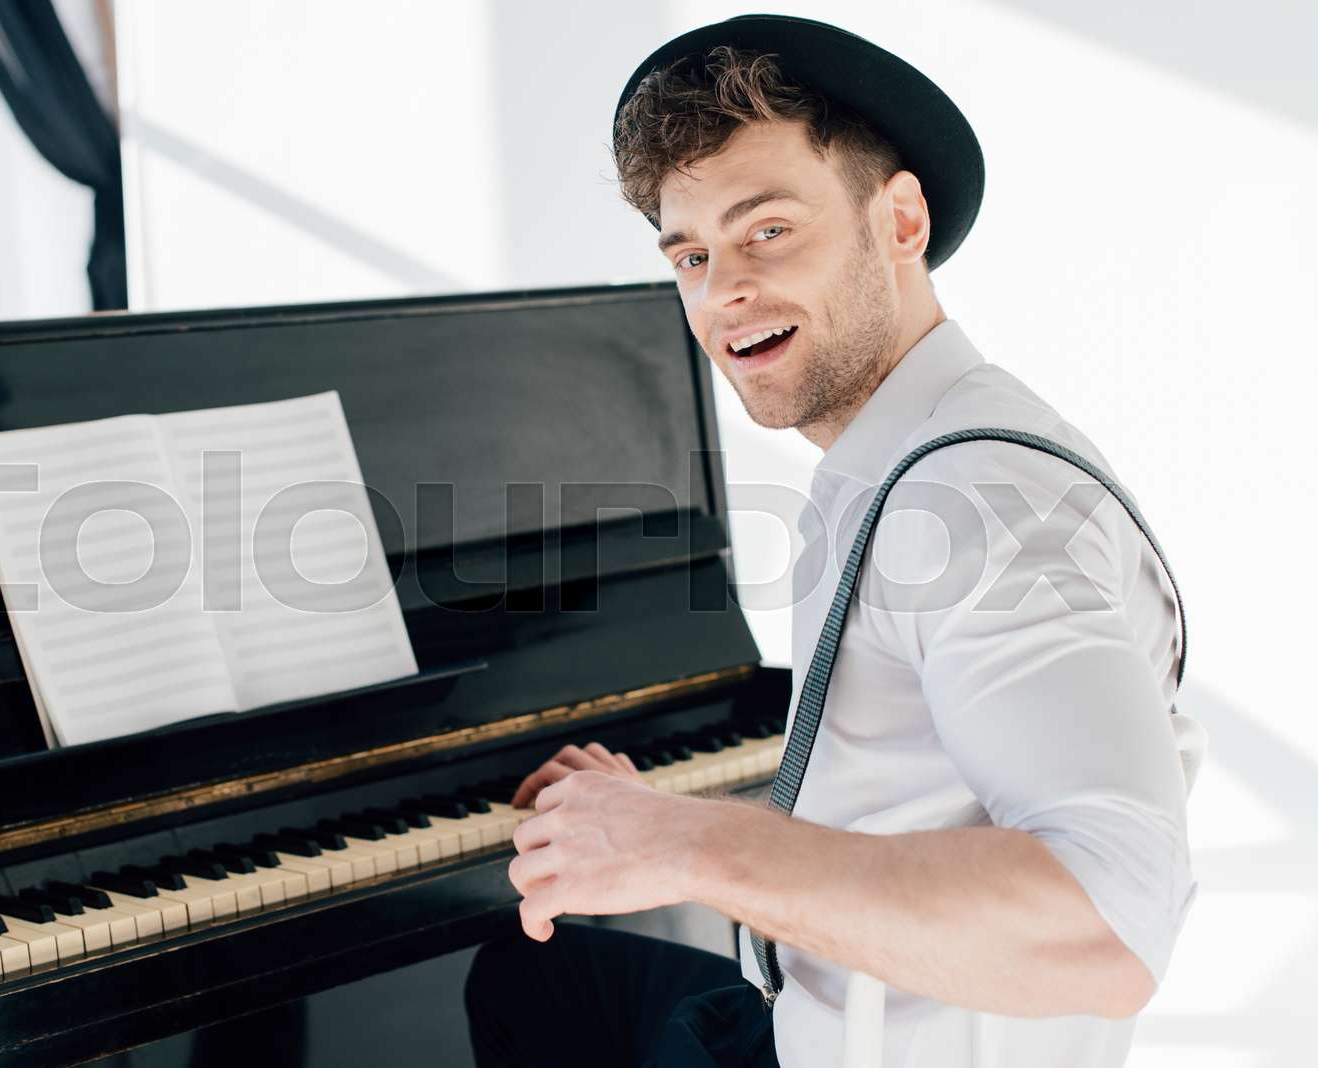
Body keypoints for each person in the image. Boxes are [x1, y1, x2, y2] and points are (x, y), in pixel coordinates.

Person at [465, 15, 1196, 1068]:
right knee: (545, 974)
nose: (722, 294)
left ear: (899, 221)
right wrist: (648, 812)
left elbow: (1109, 925)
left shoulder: (981, 505)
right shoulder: (903, 456)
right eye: (692, 253)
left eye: (768, 231)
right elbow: (897, 787)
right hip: (820, 1021)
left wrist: (691, 842)